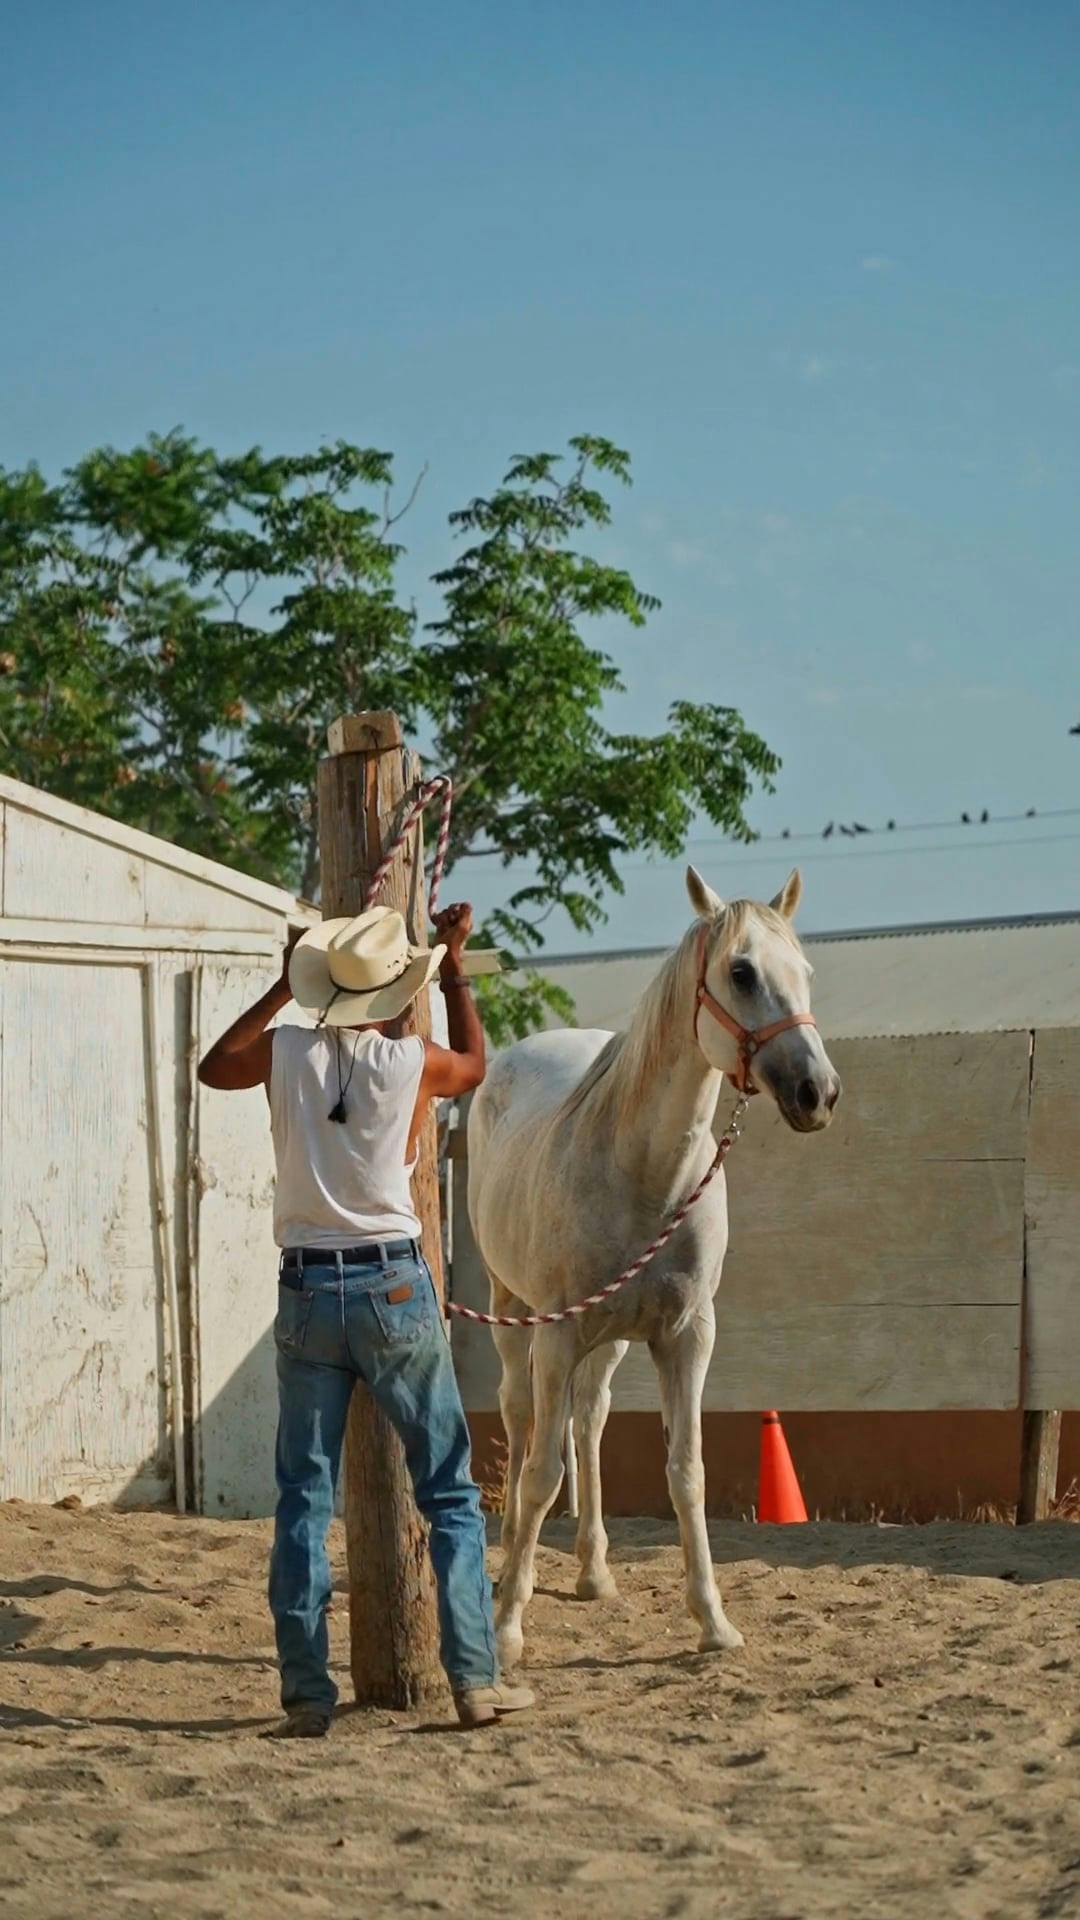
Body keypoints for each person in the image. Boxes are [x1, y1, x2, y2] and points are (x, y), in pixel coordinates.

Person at [197, 898, 534, 1736]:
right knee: (449, 1491)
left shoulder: (285, 1052)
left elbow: (214, 1066)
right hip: (392, 1286)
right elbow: (477, 1065)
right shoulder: (410, 1061)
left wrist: (284, 986)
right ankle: (475, 1679)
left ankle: (308, 1696)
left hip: (307, 1289)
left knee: (303, 1498)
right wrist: (455, 967)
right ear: (394, 993)